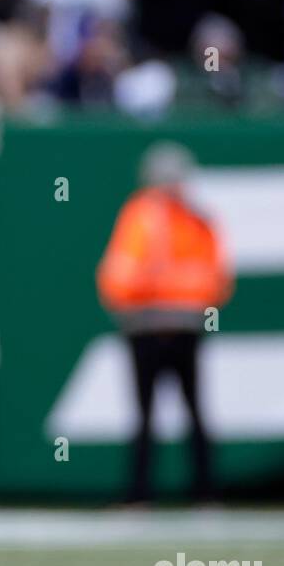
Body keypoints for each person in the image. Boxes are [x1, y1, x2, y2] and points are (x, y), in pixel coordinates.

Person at [96, 142, 232, 503]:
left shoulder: (196, 220)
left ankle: (203, 492)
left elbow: (215, 279)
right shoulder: (143, 216)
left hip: (180, 328)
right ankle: (141, 493)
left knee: (192, 412)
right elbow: (118, 279)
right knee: (146, 415)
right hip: (147, 328)